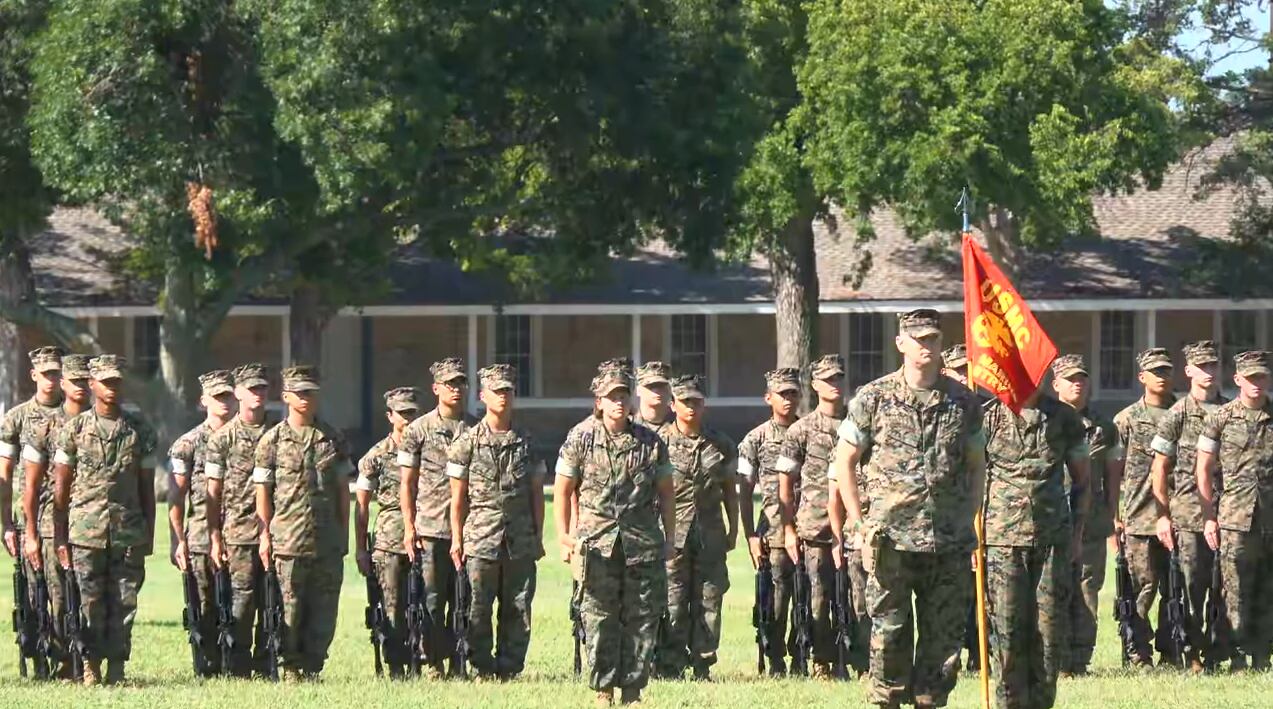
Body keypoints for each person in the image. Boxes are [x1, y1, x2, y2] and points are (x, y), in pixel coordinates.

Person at [831, 309, 986, 709]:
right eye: (917, 339)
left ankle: (929, 702)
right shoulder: (873, 398)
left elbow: (976, 468)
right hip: (891, 543)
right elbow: (844, 462)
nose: (926, 347)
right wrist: (860, 524)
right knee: (889, 637)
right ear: (900, 343)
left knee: (943, 642)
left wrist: (968, 520)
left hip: (947, 545)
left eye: (932, 338)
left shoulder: (963, 402)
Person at [554, 359, 676, 706]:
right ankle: (603, 690)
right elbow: (563, 490)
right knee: (599, 618)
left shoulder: (650, 442)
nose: (619, 402)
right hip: (596, 546)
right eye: (611, 396)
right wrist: (564, 537)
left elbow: (667, 493)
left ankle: (633, 691)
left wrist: (669, 540)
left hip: (642, 546)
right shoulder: (580, 437)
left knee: (641, 618)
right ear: (599, 401)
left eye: (624, 395)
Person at [981, 373, 1091, 709]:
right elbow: (972, 476)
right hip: (1002, 542)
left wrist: (1076, 536)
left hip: (1051, 542)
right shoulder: (987, 417)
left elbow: (1083, 481)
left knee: (1048, 635)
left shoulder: (1064, 419)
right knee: (1007, 633)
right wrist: (975, 539)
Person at [52, 354, 157, 685]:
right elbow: (61, 490)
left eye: (117, 381)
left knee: (125, 603)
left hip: (127, 533)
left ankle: (117, 667)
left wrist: (149, 534)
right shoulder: (74, 430)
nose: (112, 387)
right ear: (92, 384)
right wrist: (59, 538)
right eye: (106, 381)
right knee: (90, 602)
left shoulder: (139, 430)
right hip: (86, 532)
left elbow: (146, 489)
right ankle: (90, 665)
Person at [254, 365, 353, 681]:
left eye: (311, 392)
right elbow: (263, 494)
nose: (306, 398)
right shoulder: (272, 441)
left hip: (326, 540)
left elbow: (342, 492)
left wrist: (343, 534)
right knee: (290, 608)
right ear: (286, 397)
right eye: (300, 393)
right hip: (289, 539)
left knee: (324, 610)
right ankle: (290, 665)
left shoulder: (332, 438)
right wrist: (265, 536)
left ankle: (313, 666)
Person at [447, 364, 545, 679]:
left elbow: (536, 493)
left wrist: (538, 535)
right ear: (482, 396)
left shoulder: (527, 440)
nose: (503, 397)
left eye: (508, 391)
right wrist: (457, 539)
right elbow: (458, 499)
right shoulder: (467, 442)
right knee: (477, 607)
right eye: (496, 391)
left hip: (520, 539)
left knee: (518, 608)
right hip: (480, 539)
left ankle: (509, 668)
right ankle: (480, 668)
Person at [1150, 340, 1228, 672]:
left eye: (1213, 365)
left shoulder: (1230, 411)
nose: (1208, 372)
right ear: (1189, 372)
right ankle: (1194, 653)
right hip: (1189, 514)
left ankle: (1225, 650)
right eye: (1202, 367)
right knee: (1193, 587)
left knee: (1227, 588)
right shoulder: (1176, 415)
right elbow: (1159, 469)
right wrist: (1163, 515)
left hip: (1231, 512)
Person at [654, 374, 737, 680]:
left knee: (710, 600)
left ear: (705, 406)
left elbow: (731, 489)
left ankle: (703, 664)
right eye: (685, 401)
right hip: (670, 535)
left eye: (697, 402)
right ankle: (671, 664)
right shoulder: (657, 442)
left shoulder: (721, 444)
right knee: (672, 601)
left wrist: (733, 529)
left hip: (710, 533)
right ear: (673, 405)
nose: (691, 407)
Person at [399, 357, 477, 676]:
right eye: (449, 384)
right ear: (436, 389)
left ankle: (462, 660)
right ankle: (432, 662)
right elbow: (408, 483)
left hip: (471, 528)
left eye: (460, 383)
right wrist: (409, 526)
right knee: (432, 600)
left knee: (466, 601)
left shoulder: (475, 429)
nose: (456, 389)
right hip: (431, 527)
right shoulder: (418, 430)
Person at [1196, 350, 1273, 671]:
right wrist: (1208, 517)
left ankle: (1262, 655)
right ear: (1238, 379)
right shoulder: (1221, 418)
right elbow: (1203, 469)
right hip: (1233, 519)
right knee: (1234, 589)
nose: (1257, 383)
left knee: (1267, 588)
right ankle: (1237, 653)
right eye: (1250, 377)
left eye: (1262, 377)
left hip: (1270, 519)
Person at [19, 353, 91, 677]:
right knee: (59, 597)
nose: (79, 387)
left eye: (83, 381)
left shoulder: (99, 422)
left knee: (92, 595)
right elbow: (29, 488)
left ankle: (92, 660)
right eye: (72, 380)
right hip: (52, 525)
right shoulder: (45, 428)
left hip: (91, 525)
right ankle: (64, 661)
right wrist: (28, 533)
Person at [1050, 355, 1121, 677]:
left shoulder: (1104, 428)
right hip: (1051, 518)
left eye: (1082, 378)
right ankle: (1055, 657)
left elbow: (1112, 476)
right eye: (1070, 379)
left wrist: (1113, 516)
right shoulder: (1045, 422)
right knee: (1053, 588)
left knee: (1088, 588)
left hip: (1091, 520)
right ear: (1056, 385)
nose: (1077, 384)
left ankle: (1080, 660)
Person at [778, 354, 847, 678]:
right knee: (818, 596)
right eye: (828, 379)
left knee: (858, 598)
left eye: (839, 378)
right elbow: (785, 486)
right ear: (815, 385)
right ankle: (821, 661)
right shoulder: (801, 430)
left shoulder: (858, 423)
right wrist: (789, 530)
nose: (835, 385)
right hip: (815, 527)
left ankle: (859, 660)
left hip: (855, 527)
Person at [204, 363, 274, 677]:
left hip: (279, 533)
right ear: (238, 394)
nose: (258, 394)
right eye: (251, 389)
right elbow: (212, 494)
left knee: (274, 600)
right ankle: (239, 665)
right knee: (242, 603)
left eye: (262, 388)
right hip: (238, 533)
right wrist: (215, 537)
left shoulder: (279, 433)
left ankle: (268, 662)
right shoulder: (222, 440)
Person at [167, 369, 236, 675]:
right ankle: (207, 663)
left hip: (240, 534)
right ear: (204, 400)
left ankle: (238, 664)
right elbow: (176, 496)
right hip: (199, 538)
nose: (223, 401)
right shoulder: (188, 444)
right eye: (217, 396)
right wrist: (177, 539)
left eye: (228, 395)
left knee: (241, 605)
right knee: (204, 605)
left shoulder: (249, 437)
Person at [1114, 347, 1177, 667]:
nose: (1162, 376)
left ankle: (1172, 649)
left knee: (1175, 586)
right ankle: (1137, 650)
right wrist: (1116, 515)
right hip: (1138, 516)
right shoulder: (1126, 419)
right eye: (1156, 372)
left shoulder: (1182, 413)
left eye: (1166, 370)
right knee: (1143, 586)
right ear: (1142, 378)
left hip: (1179, 515)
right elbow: (1114, 470)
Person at [354, 386, 423, 677]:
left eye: (412, 413)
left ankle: (425, 661)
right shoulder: (376, 456)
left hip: (424, 536)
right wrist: (360, 548)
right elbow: (361, 506)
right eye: (402, 413)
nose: (407, 419)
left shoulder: (428, 449)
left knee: (423, 603)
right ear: (389, 416)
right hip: (388, 541)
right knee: (392, 606)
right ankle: (396, 665)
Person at [738, 367, 801, 674]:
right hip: (773, 535)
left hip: (810, 529)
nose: (788, 399)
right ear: (768, 398)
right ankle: (775, 658)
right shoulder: (756, 439)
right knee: (775, 602)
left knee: (811, 597)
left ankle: (806, 656)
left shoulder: (809, 432)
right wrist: (750, 535)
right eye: (782, 394)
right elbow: (744, 490)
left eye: (793, 393)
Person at [2, 346, 64, 561]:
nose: (51, 379)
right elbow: (5, 472)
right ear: (34, 375)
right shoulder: (16, 418)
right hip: (29, 518)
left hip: (67, 518)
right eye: (45, 374)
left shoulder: (77, 415)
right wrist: (7, 523)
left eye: (55, 373)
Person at [633, 361, 673, 430]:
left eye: (661, 386)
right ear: (638, 390)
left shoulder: (681, 424)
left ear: (669, 389)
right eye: (651, 386)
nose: (657, 391)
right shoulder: (628, 426)